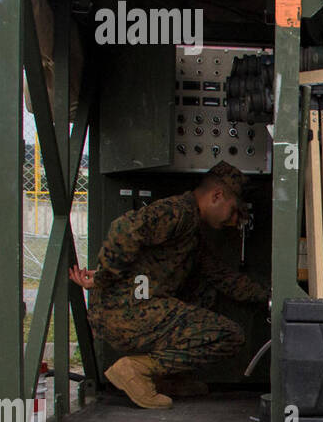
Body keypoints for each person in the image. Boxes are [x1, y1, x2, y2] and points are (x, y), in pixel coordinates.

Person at [68, 162, 269, 409]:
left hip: (134, 310)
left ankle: (163, 379)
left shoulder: (193, 230)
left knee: (202, 292)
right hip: (127, 312)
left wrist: (270, 296)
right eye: (234, 210)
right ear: (217, 195)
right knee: (229, 335)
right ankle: (135, 370)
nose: (234, 219)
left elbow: (221, 277)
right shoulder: (178, 212)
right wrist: (104, 276)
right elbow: (124, 228)